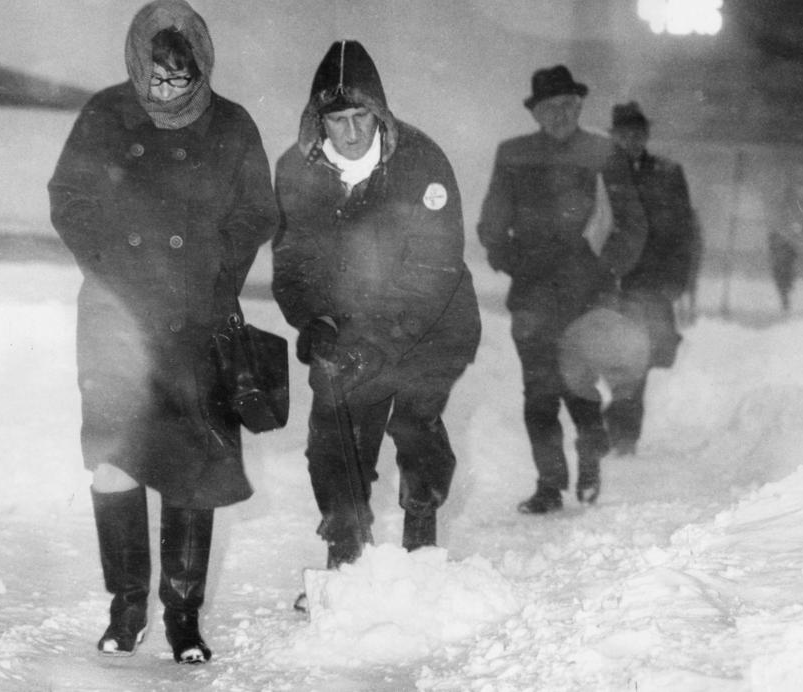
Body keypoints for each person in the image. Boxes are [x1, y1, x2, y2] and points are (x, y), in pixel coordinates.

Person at [48, 0, 277, 663]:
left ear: (201, 69)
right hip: (115, 321)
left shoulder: (232, 127)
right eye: (156, 76)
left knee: (191, 467)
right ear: (137, 64)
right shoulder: (104, 116)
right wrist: (114, 269)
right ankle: (126, 608)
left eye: (182, 78)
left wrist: (214, 277)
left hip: (193, 322)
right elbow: (70, 198)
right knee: (115, 459)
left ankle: (183, 619)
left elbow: (255, 213)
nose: (167, 89)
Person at [271, 40, 480, 569]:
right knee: (333, 439)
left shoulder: (420, 163)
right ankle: (346, 558)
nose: (351, 131)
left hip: (431, 324)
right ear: (319, 120)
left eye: (362, 115)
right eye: (337, 118)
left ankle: (420, 541)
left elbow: (433, 268)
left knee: (414, 423)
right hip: (348, 320)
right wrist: (314, 320)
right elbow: (292, 258)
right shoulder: (297, 171)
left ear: (379, 113)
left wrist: (376, 344)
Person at [477, 66, 646, 514]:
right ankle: (549, 485)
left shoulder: (603, 152)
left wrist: (606, 267)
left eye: (569, 106)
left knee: (578, 383)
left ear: (580, 107)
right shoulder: (513, 154)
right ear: (536, 113)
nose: (560, 115)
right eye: (550, 108)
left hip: (587, 292)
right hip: (532, 292)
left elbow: (633, 223)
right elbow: (493, 219)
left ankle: (590, 456)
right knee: (538, 392)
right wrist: (508, 257)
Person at [604, 102, 696, 455]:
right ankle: (614, 422)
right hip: (611, 280)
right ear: (614, 136)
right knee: (615, 356)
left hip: (652, 282)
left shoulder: (669, 173)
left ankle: (624, 434)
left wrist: (677, 279)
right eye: (625, 133)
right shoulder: (600, 173)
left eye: (639, 133)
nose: (633, 140)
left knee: (643, 355)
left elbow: (683, 231)